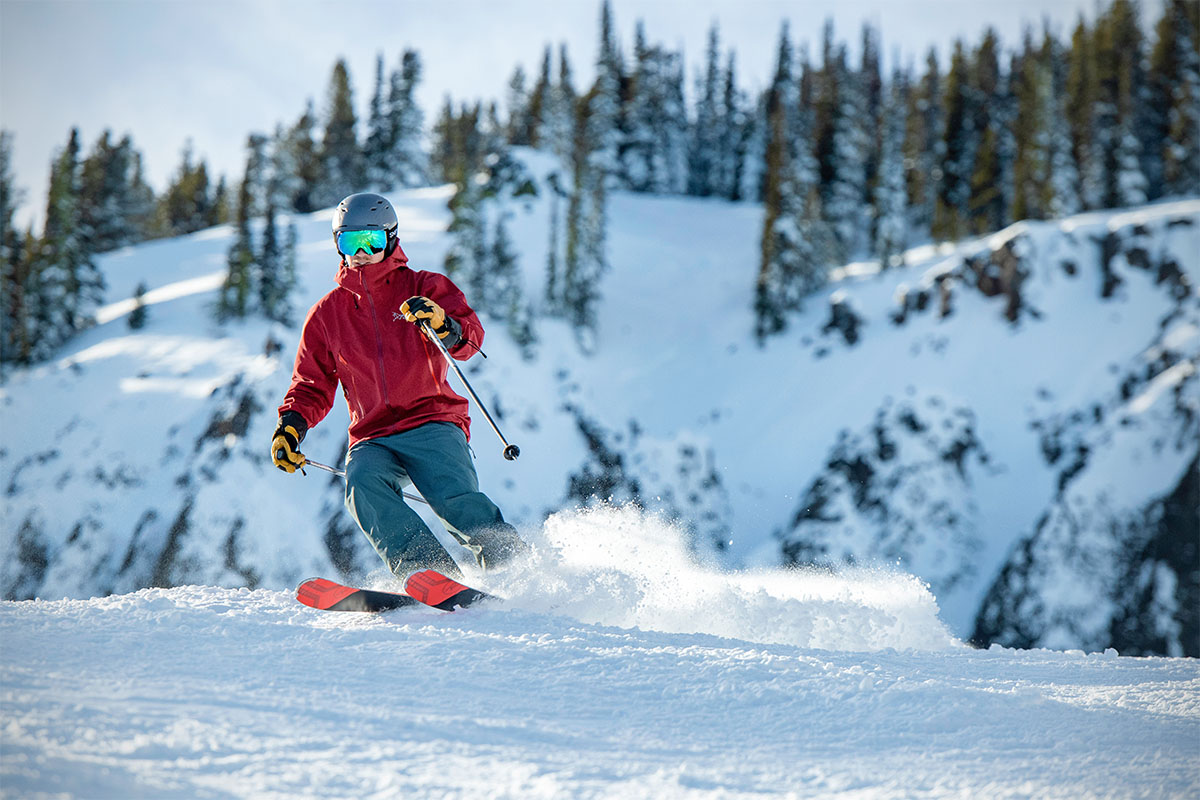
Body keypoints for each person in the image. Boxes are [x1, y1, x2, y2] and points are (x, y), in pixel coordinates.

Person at [271, 192, 528, 581]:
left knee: (454, 500)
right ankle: (430, 575)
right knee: (362, 484)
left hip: (432, 421)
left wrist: (442, 322)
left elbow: (470, 341)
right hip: (373, 435)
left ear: (390, 239)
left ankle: (519, 572)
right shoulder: (327, 315)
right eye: (347, 242)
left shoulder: (424, 286)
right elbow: (311, 384)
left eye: (369, 241)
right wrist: (291, 427)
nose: (358, 252)